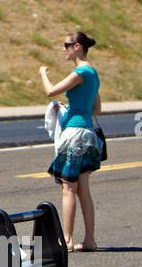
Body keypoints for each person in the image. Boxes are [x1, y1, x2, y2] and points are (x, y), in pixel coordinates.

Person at [39, 30, 102, 251]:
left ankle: (66, 239)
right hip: (87, 134)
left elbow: (50, 91)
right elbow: (97, 109)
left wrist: (43, 73)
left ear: (78, 46)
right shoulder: (93, 74)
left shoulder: (80, 72)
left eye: (66, 45)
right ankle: (90, 239)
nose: (63, 49)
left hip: (74, 134)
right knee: (83, 188)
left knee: (68, 188)